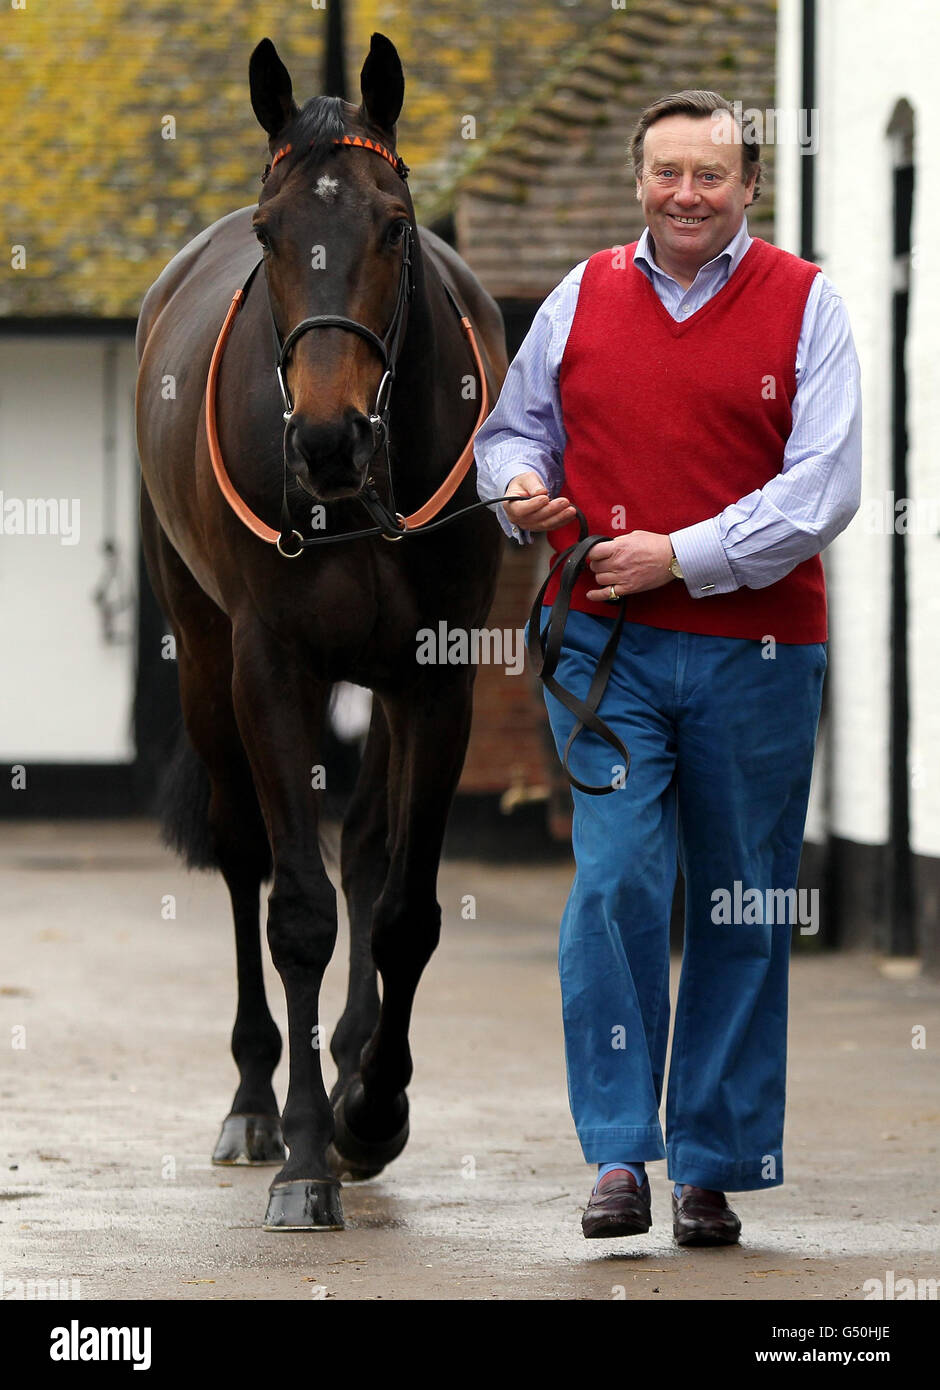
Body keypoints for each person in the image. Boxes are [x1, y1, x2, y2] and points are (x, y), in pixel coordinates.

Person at [474, 90, 862, 1245]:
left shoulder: (807, 304)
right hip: (605, 652)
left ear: (748, 187)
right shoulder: (580, 294)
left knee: (740, 899)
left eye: (709, 174)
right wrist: (516, 490)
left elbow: (826, 487)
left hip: (758, 653)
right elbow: (510, 431)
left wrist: (682, 555)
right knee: (616, 886)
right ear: (637, 179)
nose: (684, 194)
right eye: (664, 173)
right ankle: (617, 1153)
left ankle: (713, 1162)